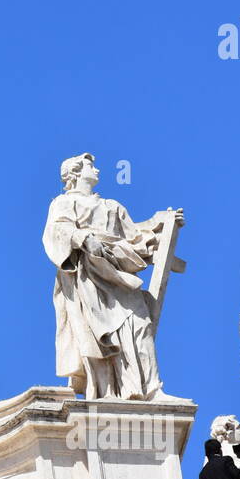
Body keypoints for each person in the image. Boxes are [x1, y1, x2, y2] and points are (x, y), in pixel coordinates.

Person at [42, 152, 184, 400]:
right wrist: (83, 238)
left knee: (140, 324)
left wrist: (163, 225)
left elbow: (137, 239)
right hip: (88, 274)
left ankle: (150, 390)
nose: (96, 170)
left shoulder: (113, 207)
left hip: (120, 275)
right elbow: (57, 230)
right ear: (75, 174)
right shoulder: (63, 203)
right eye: (90, 166)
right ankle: (105, 393)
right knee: (96, 336)